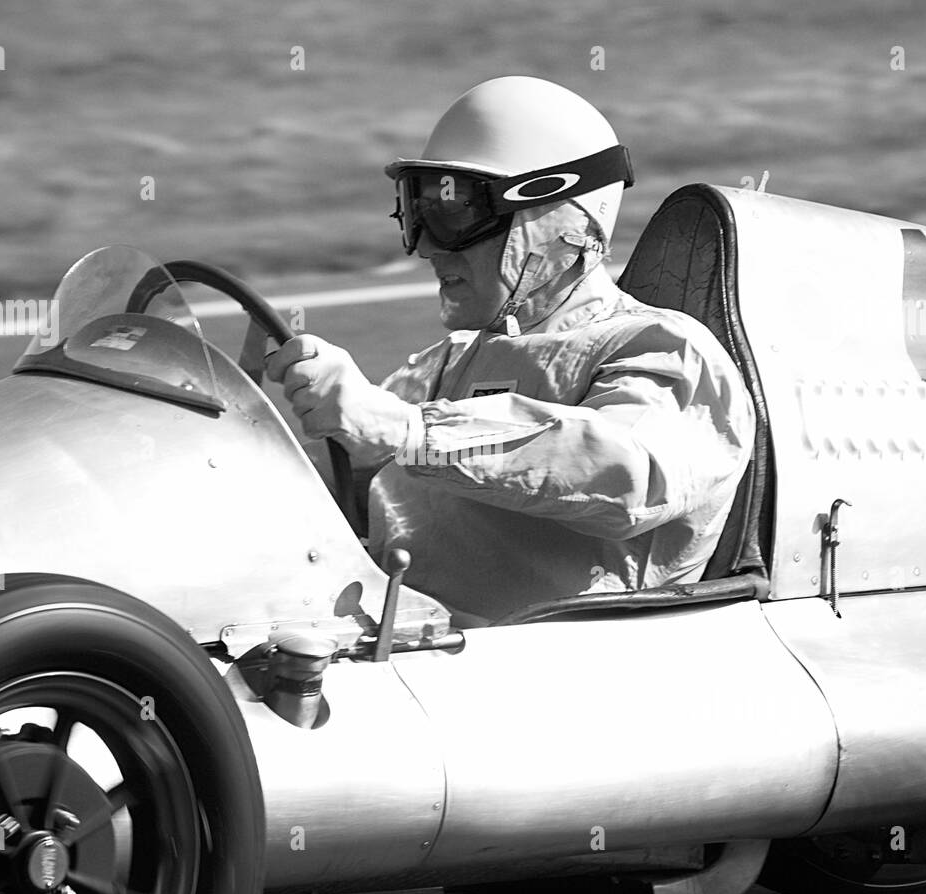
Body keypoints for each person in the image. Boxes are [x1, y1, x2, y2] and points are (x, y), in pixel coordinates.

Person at [267, 76, 754, 625]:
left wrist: (408, 433)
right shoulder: (442, 366)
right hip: (407, 658)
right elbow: (325, 481)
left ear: (560, 219)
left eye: (454, 217)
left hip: (567, 681)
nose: (426, 246)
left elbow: (629, 476)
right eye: (419, 214)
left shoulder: (666, 351)